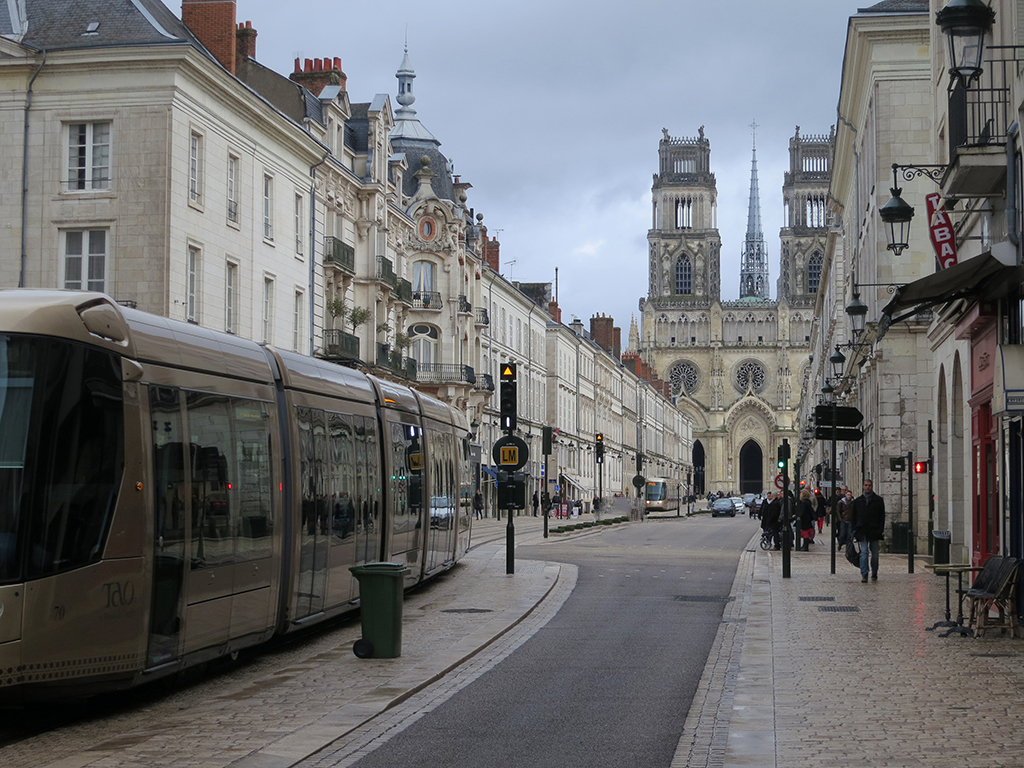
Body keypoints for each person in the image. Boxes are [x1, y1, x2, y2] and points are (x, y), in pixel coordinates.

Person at [852, 479, 885, 582]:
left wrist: (880, 530)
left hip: (874, 530)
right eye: (866, 485)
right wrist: (854, 530)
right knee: (864, 552)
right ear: (863, 486)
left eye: (869, 485)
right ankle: (864, 574)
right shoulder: (858, 501)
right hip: (861, 530)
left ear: (872, 486)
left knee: (875, 553)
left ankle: (874, 573)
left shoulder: (878, 500)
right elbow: (854, 517)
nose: (867, 487)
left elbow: (882, 517)